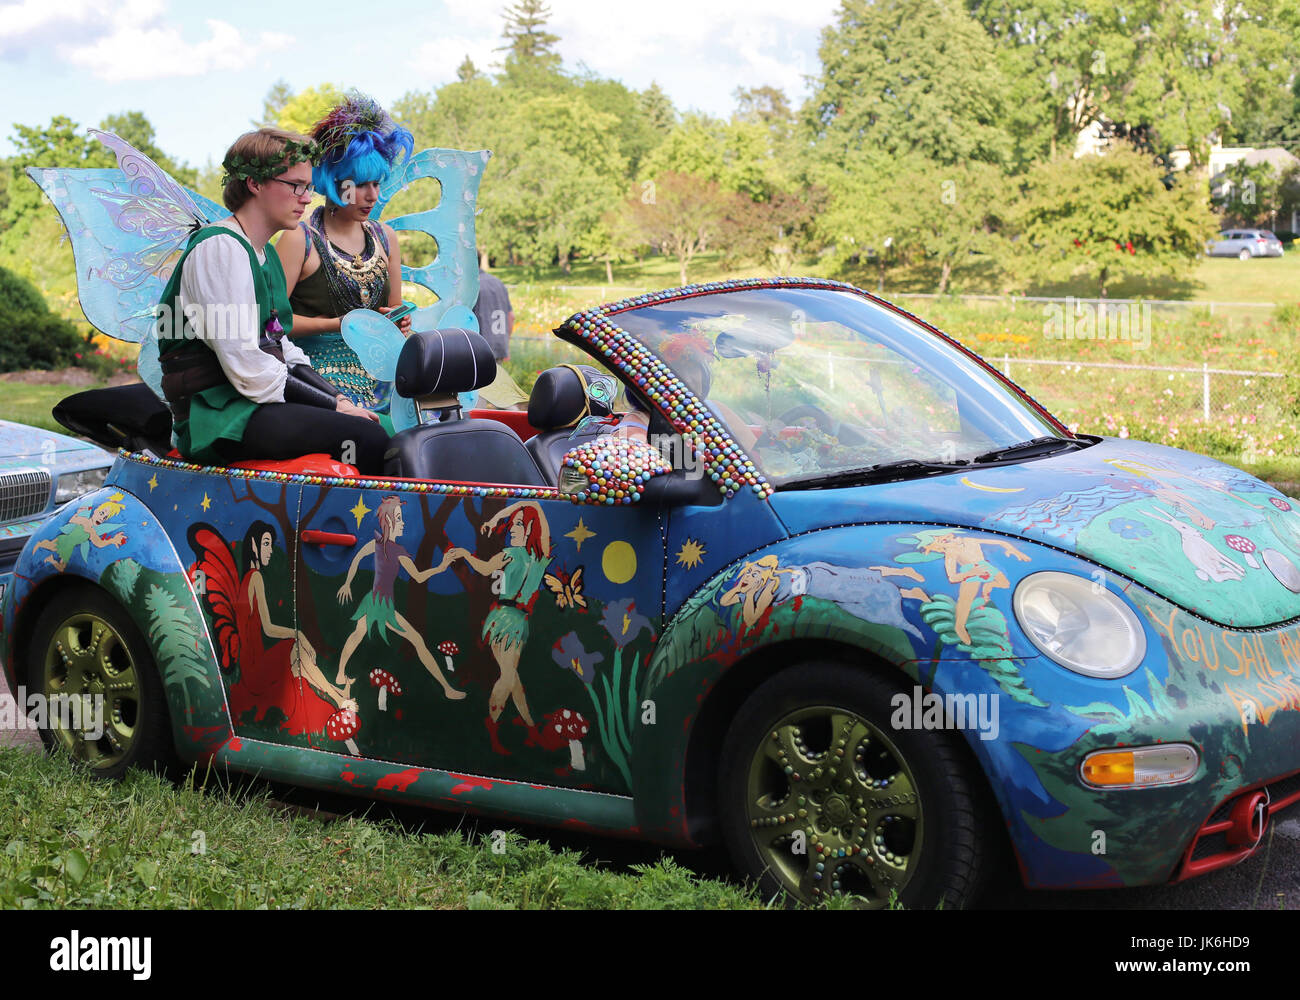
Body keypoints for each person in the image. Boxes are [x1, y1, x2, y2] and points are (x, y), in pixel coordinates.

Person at [155, 127, 389, 474]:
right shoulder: (220, 248)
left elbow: (283, 348)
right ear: (255, 183)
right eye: (296, 186)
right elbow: (250, 368)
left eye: (308, 187)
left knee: (379, 428)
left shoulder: (263, 255)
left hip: (252, 404)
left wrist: (340, 400)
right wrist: (335, 409)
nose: (307, 198)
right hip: (219, 417)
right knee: (364, 439)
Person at [275, 94, 414, 409]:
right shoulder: (299, 239)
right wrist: (339, 323)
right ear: (334, 182)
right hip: (317, 387)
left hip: (387, 386)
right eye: (361, 184)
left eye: (377, 184)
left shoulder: (387, 238)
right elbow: (270, 325)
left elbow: (394, 314)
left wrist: (399, 323)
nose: (372, 196)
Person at [473, 269, 514, 363]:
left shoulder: (472, 285)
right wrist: (506, 345)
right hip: (500, 347)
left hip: (479, 350)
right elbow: (511, 316)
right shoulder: (499, 283)